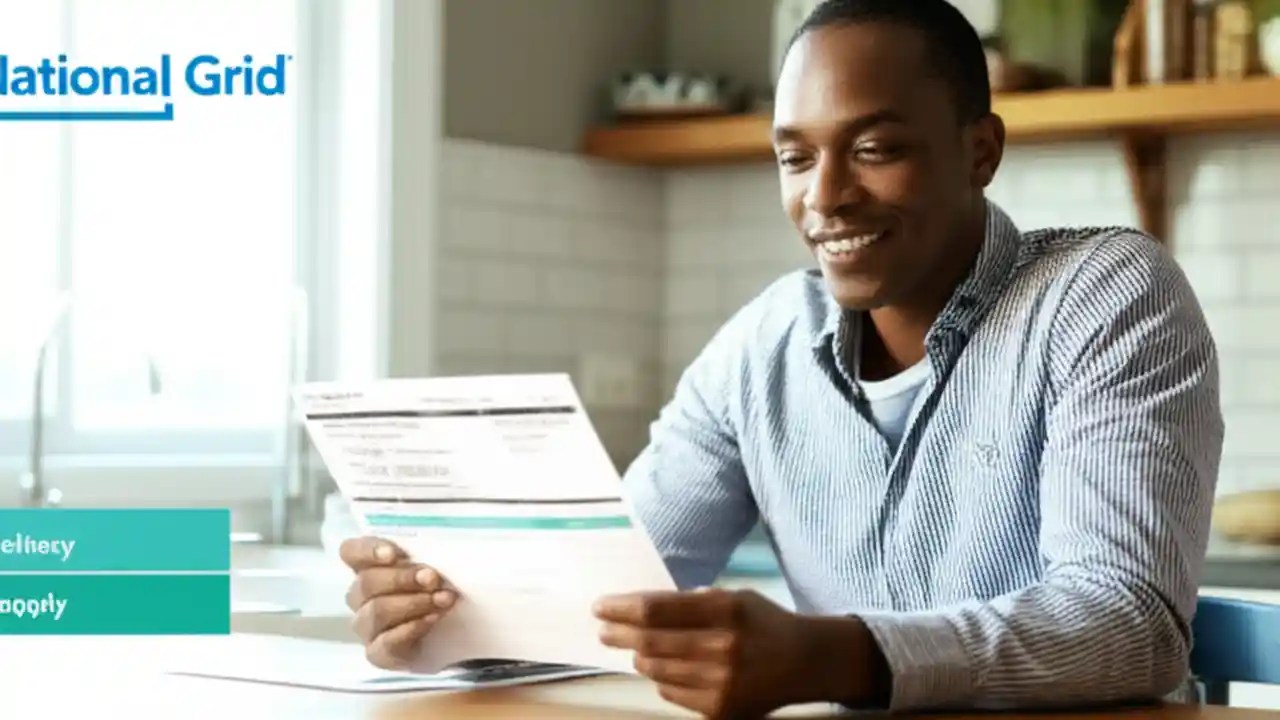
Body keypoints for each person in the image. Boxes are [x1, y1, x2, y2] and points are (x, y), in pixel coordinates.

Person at [338, 0, 1223, 717]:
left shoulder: (1106, 296)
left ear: (979, 151)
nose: (826, 196)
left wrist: (834, 654)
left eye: (875, 149)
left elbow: (1129, 623)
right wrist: (454, 624)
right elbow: (614, 592)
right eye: (795, 157)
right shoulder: (763, 345)